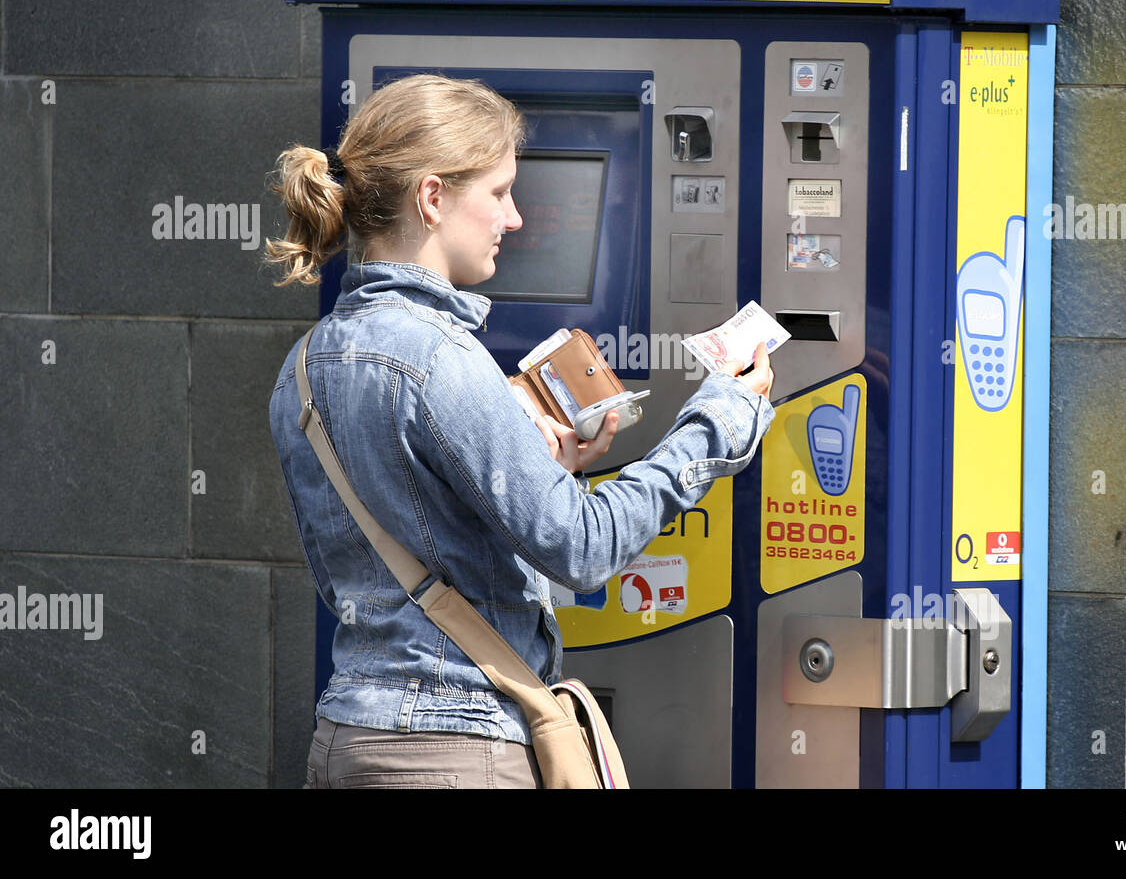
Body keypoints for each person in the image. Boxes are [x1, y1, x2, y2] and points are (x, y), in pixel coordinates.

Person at [265, 73, 774, 788]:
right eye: (500, 192)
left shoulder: (303, 368)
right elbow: (585, 547)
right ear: (433, 197)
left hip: (347, 739)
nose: (516, 218)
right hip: (457, 750)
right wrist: (718, 422)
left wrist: (542, 469)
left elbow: (388, 558)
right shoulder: (443, 357)